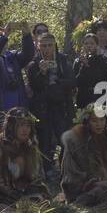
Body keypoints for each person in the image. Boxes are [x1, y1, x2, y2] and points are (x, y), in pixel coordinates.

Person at [60, 104, 107, 207]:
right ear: (87, 122)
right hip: (84, 190)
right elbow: (71, 176)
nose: (99, 124)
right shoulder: (76, 141)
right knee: (96, 194)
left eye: (102, 119)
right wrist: (92, 183)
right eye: (94, 121)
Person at [26, 32, 75, 179]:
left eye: (49, 45)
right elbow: (34, 85)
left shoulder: (63, 60)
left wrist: (57, 83)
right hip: (43, 108)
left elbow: (72, 81)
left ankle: (65, 169)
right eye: (44, 46)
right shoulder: (34, 64)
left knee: (65, 139)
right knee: (44, 142)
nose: (47, 49)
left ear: (54, 46)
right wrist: (42, 73)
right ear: (38, 47)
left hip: (62, 107)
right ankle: (46, 172)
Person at [0, 107, 50, 203]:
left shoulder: (30, 147)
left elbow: (38, 177)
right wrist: (17, 197)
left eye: (28, 126)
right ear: (11, 126)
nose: (25, 129)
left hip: (20, 193)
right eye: (21, 125)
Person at [74, 33, 107, 109]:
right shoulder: (78, 61)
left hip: (102, 98)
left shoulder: (104, 59)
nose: (89, 46)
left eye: (92, 43)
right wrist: (84, 66)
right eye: (86, 43)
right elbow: (76, 82)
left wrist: (99, 57)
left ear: (97, 45)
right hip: (84, 99)